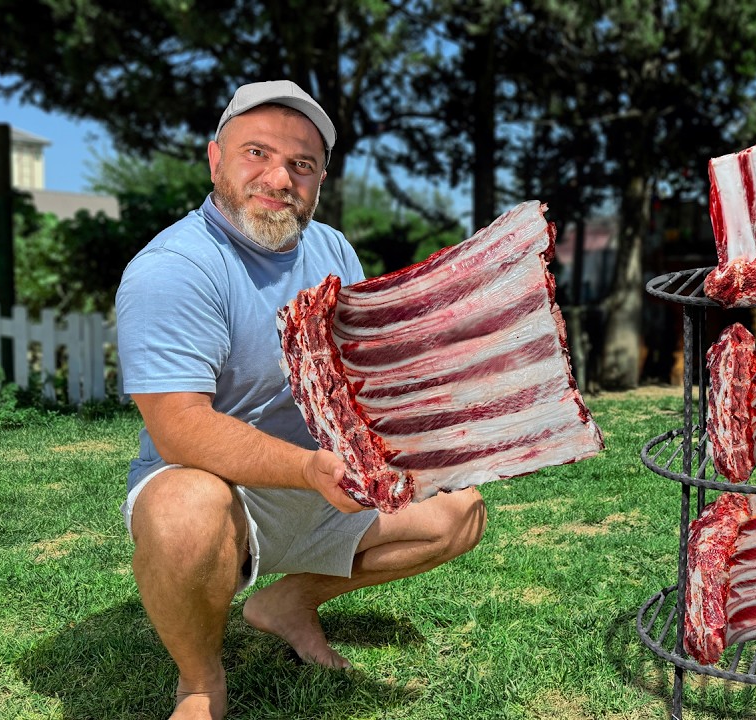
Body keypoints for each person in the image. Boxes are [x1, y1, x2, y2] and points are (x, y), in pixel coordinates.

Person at [114, 80, 487, 720]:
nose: (279, 178)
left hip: (324, 477)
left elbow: (361, 371)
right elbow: (179, 427)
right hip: (224, 484)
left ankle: (289, 601)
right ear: (215, 158)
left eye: (301, 164)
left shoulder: (333, 249)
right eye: (256, 153)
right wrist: (309, 469)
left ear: (319, 180)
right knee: (183, 511)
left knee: (461, 511)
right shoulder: (174, 268)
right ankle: (200, 682)